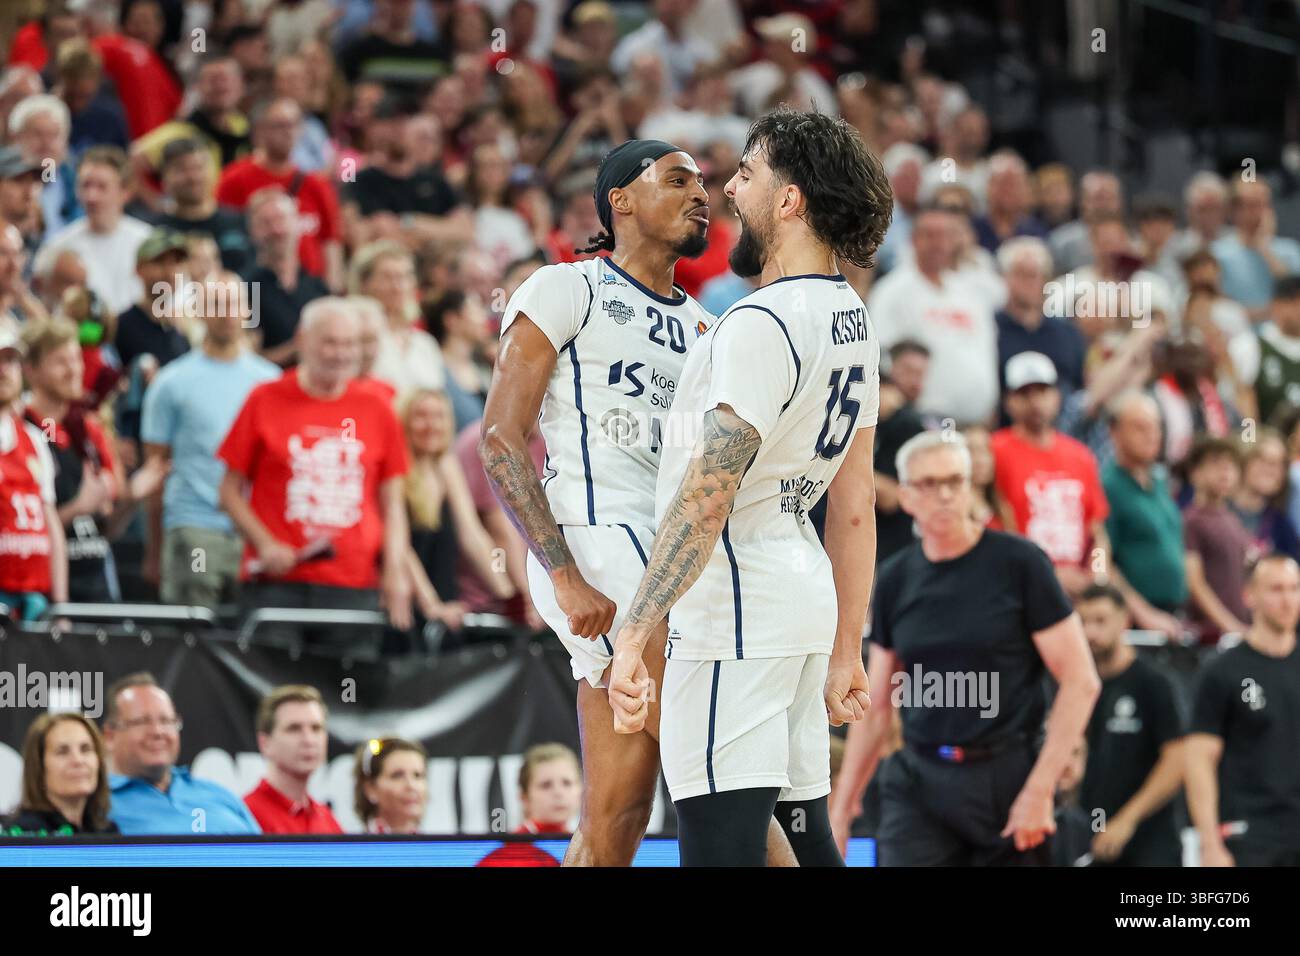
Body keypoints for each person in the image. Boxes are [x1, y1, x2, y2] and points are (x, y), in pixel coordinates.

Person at [608, 108, 891, 868]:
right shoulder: (852, 318)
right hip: (799, 602)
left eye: (747, 172)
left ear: (790, 200)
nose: (729, 189)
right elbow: (854, 506)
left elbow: (707, 496)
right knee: (801, 835)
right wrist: (844, 648)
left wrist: (633, 635)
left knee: (718, 848)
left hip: (733, 614)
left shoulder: (759, 322)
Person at [481, 137, 731, 867]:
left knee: (616, 818)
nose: (700, 194)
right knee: (716, 766)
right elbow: (500, 440)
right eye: (678, 179)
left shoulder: (705, 328)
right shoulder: (566, 288)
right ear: (620, 198)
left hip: (673, 548)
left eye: (705, 183)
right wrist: (562, 574)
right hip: (596, 535)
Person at [830, 431, 1100, 865]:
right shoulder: (896, 578)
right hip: (920, 776)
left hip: (1006, 772)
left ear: (971, 486)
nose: (945, 495)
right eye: (929, 484)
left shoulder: (1020, 563)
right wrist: (843, 808)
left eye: (955, 481)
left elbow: (1081, 681)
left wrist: (1040, 788)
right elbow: (877, 704)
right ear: (906, 495)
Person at [217, 297, 413, 633]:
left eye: (349, 344)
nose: (341, 354)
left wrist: (395, 570)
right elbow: (228, 491)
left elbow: (392, 504)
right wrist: (264, 543)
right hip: (277, 582)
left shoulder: (378, 407)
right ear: (303, 339)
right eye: (330, 342)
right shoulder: (264, 398)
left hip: (354, 582)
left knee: (347, 683)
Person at [139, 273, 280, 606]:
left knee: (253, 635)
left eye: (233, 304)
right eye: (216, 304)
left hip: (256, 533)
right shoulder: (172, 382)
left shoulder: (270, 383)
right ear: (199, 311)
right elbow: (156, 471)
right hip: (194, 527)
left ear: (248, 310)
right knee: (194, 631)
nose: (226, 313)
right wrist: (154, 549)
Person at [1187, 554, 1300, 866]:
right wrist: (1210, 845)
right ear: (1249, 596)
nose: (1288, 600)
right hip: (1248, 833)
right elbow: (1198, 760)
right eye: (1276, 590)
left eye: (1294, 589)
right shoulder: (1223, 670)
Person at [1078, 584, 1186, 866]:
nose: (1090, 632)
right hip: (1092, 837)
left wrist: (1127, 820)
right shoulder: (1076, 686)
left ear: (1124, 620)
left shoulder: (1153, 683)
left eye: (1100, 621)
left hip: (1151, 843)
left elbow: (1176, 761)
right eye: (1083, 622)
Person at [991, 351, 1110, 598]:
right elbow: (995, 528)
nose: (1035, 402)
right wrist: (1047, 574)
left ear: (1056, 396)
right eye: (1025, 394)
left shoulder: (1080, 455)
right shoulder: (995, 451)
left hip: (1077, 589)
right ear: (1008, 401)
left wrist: (1096, 577)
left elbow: (1097, 533)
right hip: (1019, 586)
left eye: (1042, 391)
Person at [22, 318, 125, 602]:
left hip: (98, 581)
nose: (74, 370)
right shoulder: (20, 432)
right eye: (60, 362)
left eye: (76, 359)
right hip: (48, 592)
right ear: (31, 371)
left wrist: (132, 495)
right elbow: (19, 531)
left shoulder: (87, 430)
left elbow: (107, 520)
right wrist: (79, 506)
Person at [867, 204, 999, 425]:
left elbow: (988, 351)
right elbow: (880, 358)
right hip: (921, 422)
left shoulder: (970, 293)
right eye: (930, 235)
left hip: (977, 425)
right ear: (914, 239)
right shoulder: (891, 292)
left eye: (946, 235)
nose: (939, 244)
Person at [401, 387, 514, 632]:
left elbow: (473, 536)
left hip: (446, 600)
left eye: (439, 416)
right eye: (421, 416)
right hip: (408, 602)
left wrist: (508, 594)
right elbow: (402, 548)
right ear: (405, 422)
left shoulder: (447, 466)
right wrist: (430, 605)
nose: (431, 425)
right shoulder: (398, 470)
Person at [104, 672, 261, 834]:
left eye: (166, 721)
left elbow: (265, 855)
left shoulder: (220, 794)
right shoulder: (97, 806)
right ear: (110, 736)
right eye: (142, 721)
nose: (158, 732)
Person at [216, 98, 343, 290]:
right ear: (259, 130)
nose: (289, 132)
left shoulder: (316, 184)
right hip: (256, 287)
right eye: (280, 125)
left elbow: (330, 241)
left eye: (294, 125)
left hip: (309, 287)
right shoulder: (234, 179)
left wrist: (332, 288)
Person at [1101, 391, 1187, 635]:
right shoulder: (1108, 486)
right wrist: (1142, 613)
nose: (1151, 435)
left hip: (1173, 615)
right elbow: (1102, 562)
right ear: (1114, 432)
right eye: (1140, 427)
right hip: (1137, 622)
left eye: (1156, 427)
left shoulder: (1160, 481)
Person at [33, 146, 151, 314]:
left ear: (125, 192)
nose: (91, 196)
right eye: (85, 186)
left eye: (102, 187)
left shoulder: (146, 241)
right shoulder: (57, 247)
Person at [0, 328, 67, 621]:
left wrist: (62, 607)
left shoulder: (35, 439)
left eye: (11, 360)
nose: (4, 369)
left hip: (34, 600)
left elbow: (50, 521)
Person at [241, 187, 329, 367]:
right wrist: (295, 348)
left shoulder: (318, 288)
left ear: (297, 223)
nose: (276, 230)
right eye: (266, 223)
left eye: (281, 219)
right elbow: (244, 360)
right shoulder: (245, 290)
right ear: (252, 231)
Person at [349, 241, 447, 394]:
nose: (398, 286)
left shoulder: (425, 344)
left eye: (405, 276)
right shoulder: (353, 338)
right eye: (387, 277)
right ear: (364, 283)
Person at [244, 685, 343, 834]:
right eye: (294, 728)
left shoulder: (326, 818)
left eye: (316, 728)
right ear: (265, 743)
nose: (309, 740)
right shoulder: (247, 816)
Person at [995, 236, 1086, 399]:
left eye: (1036, 275)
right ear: (1005, 278)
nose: (1030, 283)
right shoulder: (991, 330)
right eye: (1022, 274)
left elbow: (1080, 385)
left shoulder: (1067, 333)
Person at [1183, 437, 1254, 641]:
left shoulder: (1232, 519)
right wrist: (1230, 626)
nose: (1225, 472)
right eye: (1215, 464)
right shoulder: (1192, 520)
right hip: (1211, 636)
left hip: (1239, 629)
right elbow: (1194, 582)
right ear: (1195, 473)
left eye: (1231, 465)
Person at [149, 137, 253, 274]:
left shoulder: (241, 223)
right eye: (182, 169)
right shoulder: (154, 232)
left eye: (199, 167)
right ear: (164, 178)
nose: (193, 177)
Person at [2, 713, 118, 836]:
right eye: (62, 752)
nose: (78, 760)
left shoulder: (108, 831)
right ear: (39, 766)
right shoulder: (20, 833)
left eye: (85, 749)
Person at [1211, 179, 1300, 315]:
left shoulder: (1290, 250)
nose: (1256, 213)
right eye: (1250, 205)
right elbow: (1215, 304)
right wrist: (1265, 313)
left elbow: (1295, 294)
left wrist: (1265, 249)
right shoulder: (1217, 253)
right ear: (1234, 210)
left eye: (1263, 205)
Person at [113, 227, 191, 371]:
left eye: (176, 263)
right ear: (139, 269)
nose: (170, 272)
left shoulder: (180, 330)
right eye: (160, 262)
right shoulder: (120, 327)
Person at [1228, 275, 1300, 428]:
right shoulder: (1250, 345)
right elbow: (1243, 398)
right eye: (1295, 303)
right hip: (1269, 444)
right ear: (1277, 305)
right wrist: (1250, 440)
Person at [1231, 428, 1300, 560]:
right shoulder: (1215, 508)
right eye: (1263, 460)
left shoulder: (1281, 525)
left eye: (1279, 464)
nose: (1271, 470)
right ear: (1244, 461)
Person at [353, 737, 429, 834]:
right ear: (371, 789)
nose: (411, 786)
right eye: (397, 776)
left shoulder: (438, 847)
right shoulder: (354, 847)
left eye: (418, 775)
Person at [515, 742, 583, 834]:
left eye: (567, 783)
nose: (559, 793)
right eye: (546, 785)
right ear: (525, 798)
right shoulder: (512, 847)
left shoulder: (587, 844)